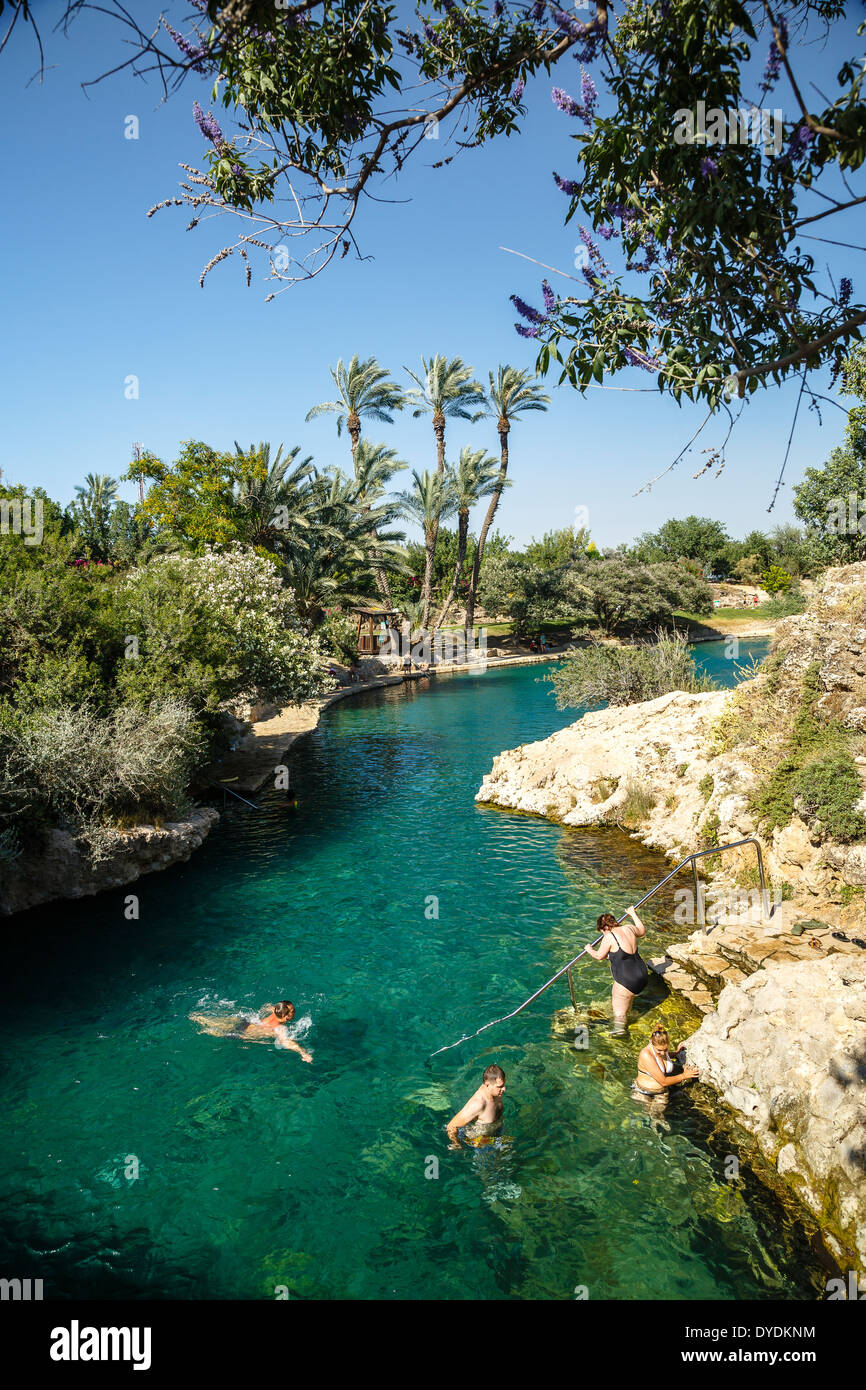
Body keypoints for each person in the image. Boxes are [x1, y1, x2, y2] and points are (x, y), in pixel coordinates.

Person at [584, 905, 649, 1030]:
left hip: (626, 980)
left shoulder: (609, 937)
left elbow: (599, 956)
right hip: (642, 975)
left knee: (619, 1015)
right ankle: (629, 1022)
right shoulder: (629, 928)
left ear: (606, 927)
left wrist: (589, 949)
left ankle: (619, 1036)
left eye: (602, 931)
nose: (603, 934)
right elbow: (642, 930)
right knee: (626, 1004)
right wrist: (633, 914)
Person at [190, 1000, 313, 1062]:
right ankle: (202, 1028)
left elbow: (266, 1006)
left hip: (248, 1023)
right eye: (292, 1012)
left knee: (217, 1022)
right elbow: (286, 1042)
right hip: (242, 1034)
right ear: (286, 1017)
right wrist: (304, 1053)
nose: (294, 1012)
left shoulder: (273, 1010)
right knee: (215, 1032)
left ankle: (198, 1017)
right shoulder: (280, 1028)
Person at [446, 1064, 506, 1148]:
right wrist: (455, 1143)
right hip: (480, 1141)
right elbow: (451, 1126)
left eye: (503, 1085)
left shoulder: (496, 1091)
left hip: (496, 1131)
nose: (504, 1089)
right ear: (487, 1085)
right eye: (500, 1086)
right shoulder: (478, 1104)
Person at [633, 1026, 698, 1095]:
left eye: (666, 1049)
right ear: (652, 1043)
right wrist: (684, 1075)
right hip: (643, 1092)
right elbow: (663, 1082)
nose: (663, 1053)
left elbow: (661, 1057)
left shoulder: (661, 1050)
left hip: (662, 1092)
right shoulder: (646, 1055)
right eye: (659, 1050)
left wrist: (676, 1053)